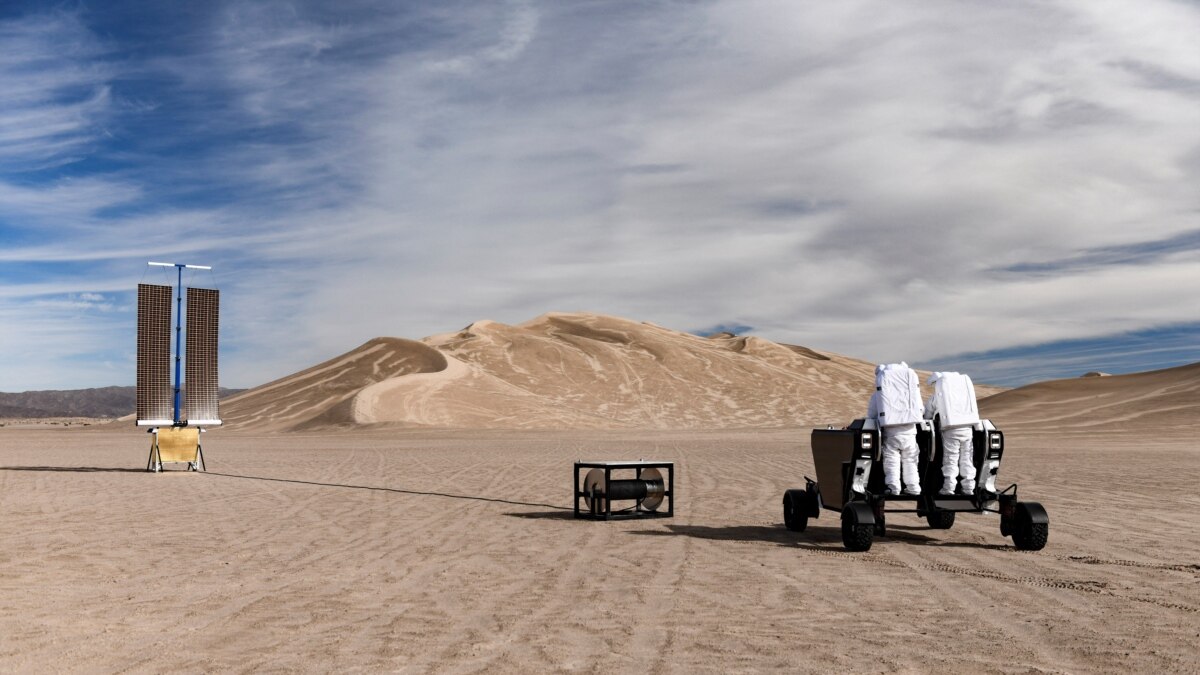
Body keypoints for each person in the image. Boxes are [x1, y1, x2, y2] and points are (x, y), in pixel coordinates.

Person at [866, 362, 923, 496]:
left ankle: (894, 487)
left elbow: (872, 414)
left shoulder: (879, 395)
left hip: (892, 432)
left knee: (892, 460)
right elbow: (921, 409)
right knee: (911, 460)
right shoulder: (911, 391)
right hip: (910, 431)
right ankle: (913, 487)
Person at [924, 371, 980, 496]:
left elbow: (928, 413)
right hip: (967, 429)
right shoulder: (965, 396)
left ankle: (949, 488)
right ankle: (968, 488)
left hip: (951, 431)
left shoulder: (939, 397)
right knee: (967, 459)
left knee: (951, 459)